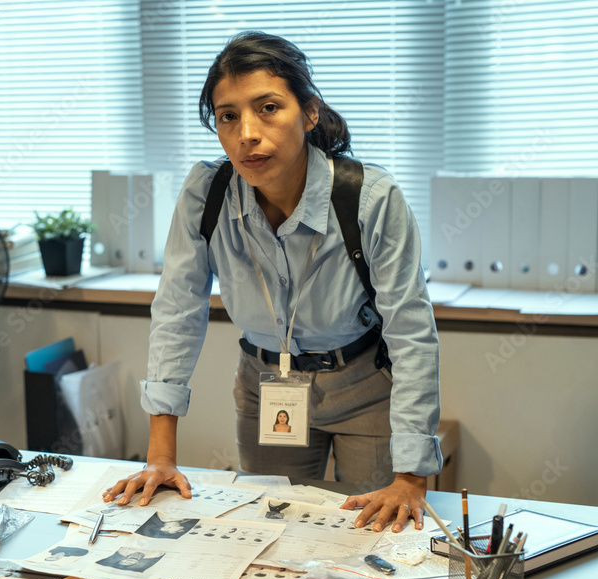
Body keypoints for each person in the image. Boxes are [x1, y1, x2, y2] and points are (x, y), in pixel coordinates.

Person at [104, 31, 441, 535]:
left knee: (372, 539)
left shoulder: (371, 197)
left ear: (310, 113)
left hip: (366, 387)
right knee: (271, 534)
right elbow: (177, 311)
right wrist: (161, 456)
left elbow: (411, 334)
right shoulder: (206, 194)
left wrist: (411, 477)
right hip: (267, 386)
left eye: (268, 108)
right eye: (228, 116)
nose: (247, 133)